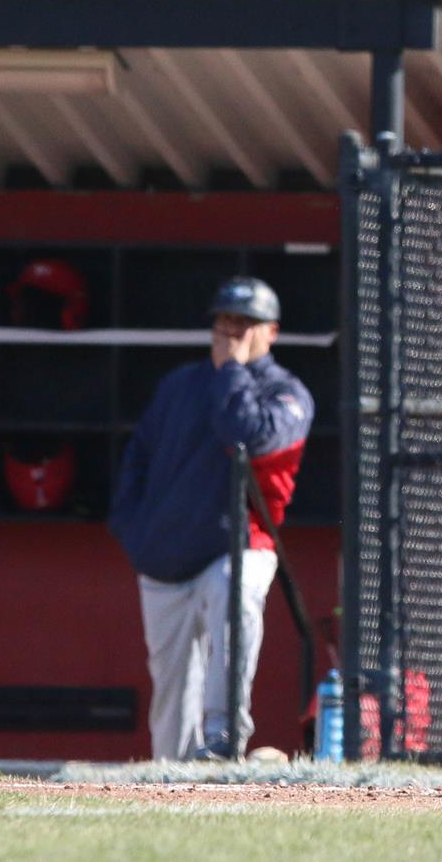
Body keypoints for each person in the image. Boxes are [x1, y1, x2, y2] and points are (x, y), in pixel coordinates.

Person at [108, 277, 315, 760]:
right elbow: (138, 455)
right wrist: (134, 527)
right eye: (224, 321)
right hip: (165, 551)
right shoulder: (181, 384)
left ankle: (225, 734)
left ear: (272, 332)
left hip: (241, 544)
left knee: (234, 593)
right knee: (171, 688)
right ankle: (173, 776)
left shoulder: (288, 393)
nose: (231, 333)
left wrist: (234, 372)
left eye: (245, 324)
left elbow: (244, 432)